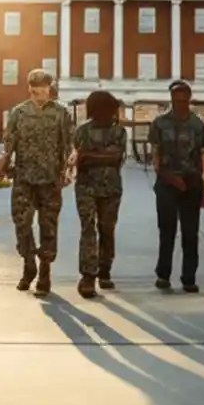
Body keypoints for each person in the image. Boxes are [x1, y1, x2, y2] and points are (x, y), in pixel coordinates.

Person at [0, 69, 73, 298]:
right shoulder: (19, 113)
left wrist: (69, 168)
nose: (37, 90)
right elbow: (9, 141)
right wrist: (3, 160)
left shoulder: (61, 113)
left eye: (41, 86)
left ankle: (44, 272)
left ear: (50, 87)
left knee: (48, 228)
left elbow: (69, 144)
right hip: (24, 179)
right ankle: (29, 262)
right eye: (33, 86)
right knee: (21, 224)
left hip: (50, 180)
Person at [148, 80, 204, 293]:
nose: (180, 103)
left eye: (184, 100)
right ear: (171, 99)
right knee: (166, 232)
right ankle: (163, 275)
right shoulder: (159, 123)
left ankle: (189, 277)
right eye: (176, 100)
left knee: (190, 232)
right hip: (167, 184)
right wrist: (168, 177)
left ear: (189, 99)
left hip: (191, 184)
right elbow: (155, 159)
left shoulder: (198, 125)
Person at [68, 90, 127, 298]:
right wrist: (98, 156)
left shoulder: (119, 132)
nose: (112, 114)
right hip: (86, 188)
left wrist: (90, 156)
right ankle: (87, 276)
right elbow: (81, 158)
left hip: (111, 189)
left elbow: (115, 157)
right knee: (88, 230)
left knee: (107, 229)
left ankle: (105, 270)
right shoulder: (82, 131)